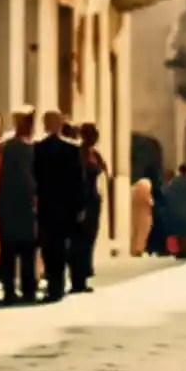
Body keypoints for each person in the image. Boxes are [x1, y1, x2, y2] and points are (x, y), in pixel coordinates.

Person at [33, 110, 85, 301]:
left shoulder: (39, 148)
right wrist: (80, 206)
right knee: (61, 246)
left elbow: (35, 178)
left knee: (49, 247)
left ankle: (53, 283)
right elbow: (79, 180)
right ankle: (58, 285)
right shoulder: (71, 149)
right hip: (64, 206)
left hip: (48, 205)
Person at [0, 107, 38, 305]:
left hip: (23, 203)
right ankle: (14, 289)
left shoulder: (30, 147)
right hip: (13, 203)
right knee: (13, 249)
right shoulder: (8, 146)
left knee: (24, 248)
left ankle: (22, 288)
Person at [73, 122, 107, 292]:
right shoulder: (79, 153)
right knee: (80, 239)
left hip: (94, 200)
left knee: (89, 238)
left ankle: (84, 275)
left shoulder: (94, 154)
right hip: (83, 199)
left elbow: (104, 170)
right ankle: (77, 279)